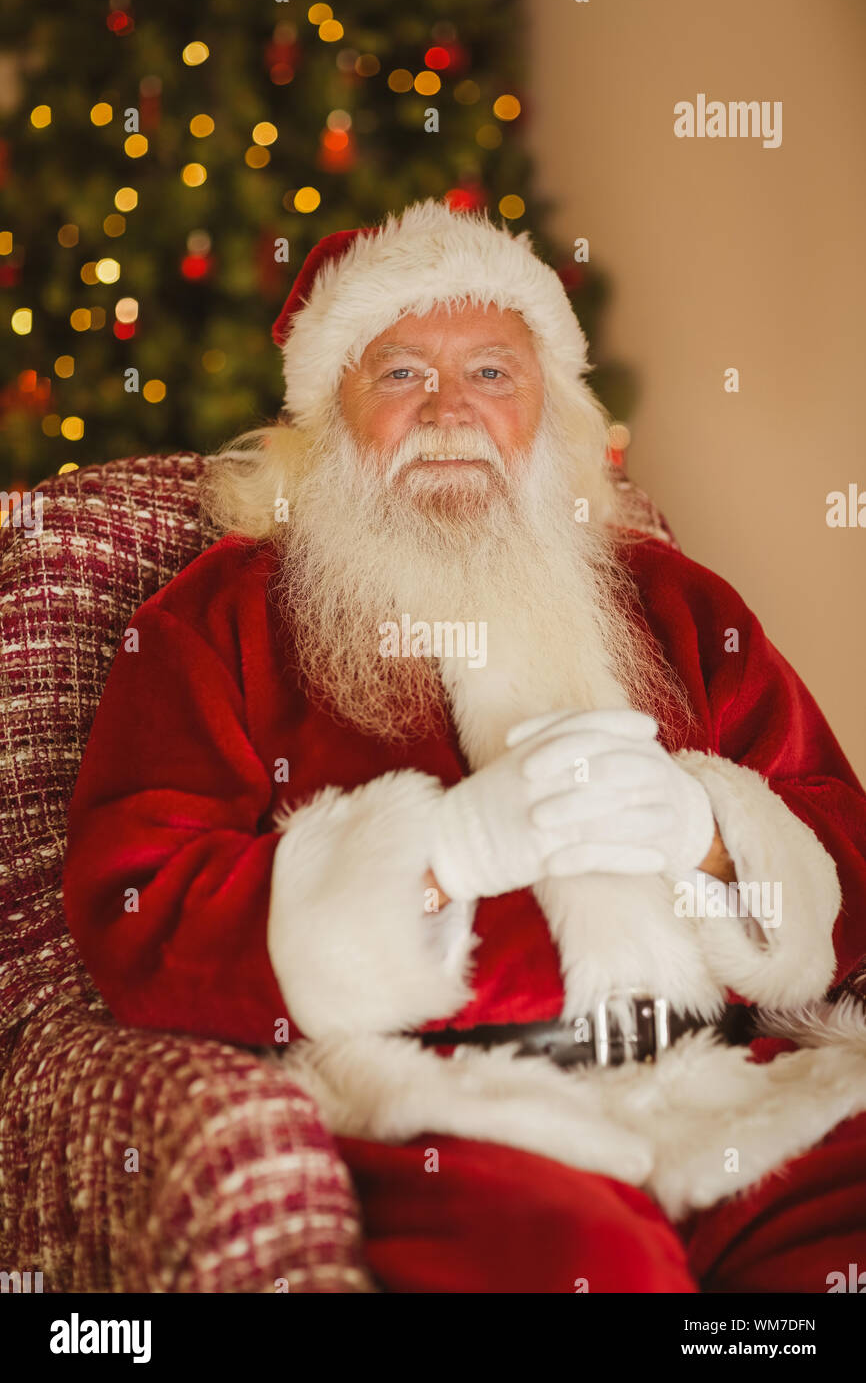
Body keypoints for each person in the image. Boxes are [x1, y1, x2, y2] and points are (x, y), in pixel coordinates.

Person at [63, 199, 866, 1293]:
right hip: (446, 1116)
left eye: (492, 371)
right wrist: (439, 857)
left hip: (723, 1090)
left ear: (549, 411)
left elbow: (840, 843)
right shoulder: (220, 618)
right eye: (398, 373)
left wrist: (713, 836)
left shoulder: (672, 602)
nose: (449, 410)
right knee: (586, 1268)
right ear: (328, 415)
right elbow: (133, 906)